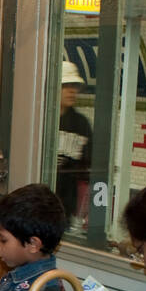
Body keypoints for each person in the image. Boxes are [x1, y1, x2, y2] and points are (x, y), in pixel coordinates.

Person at [55, 61, 92, 226]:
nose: (72, 91)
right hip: (35, 206)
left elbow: (90, 166)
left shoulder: (81, 124)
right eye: (66, 85)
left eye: (74, 86)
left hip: (65, 210)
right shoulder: (40, 120)